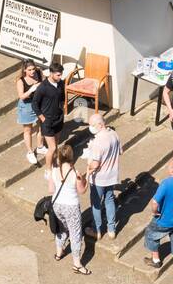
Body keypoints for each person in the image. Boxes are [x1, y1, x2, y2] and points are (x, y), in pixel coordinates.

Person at [51, 143, 90, 275]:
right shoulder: (75, 173)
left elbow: (51, 189)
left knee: (62, 228)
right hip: (71, 206)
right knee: (75, 234)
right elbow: (82, 191)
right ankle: (77, 264)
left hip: (57, 205)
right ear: (71, 156)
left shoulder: (54, 170)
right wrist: (88, 176)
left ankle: (58, 253)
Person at [84, 111, 122, 241]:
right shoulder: (114, 135)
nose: (90, 127)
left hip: (98, 178)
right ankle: (111, 229)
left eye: (92, 125)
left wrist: (88, 170)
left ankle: (96, 230)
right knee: (110, 200)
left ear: (100, 125)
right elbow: (119, 152)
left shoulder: (98, 142)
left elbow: (95, 164)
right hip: (111, 176)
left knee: (96, 204)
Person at [32, 60, 66, 177]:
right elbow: (34, 104)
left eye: (61, 74)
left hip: (58, 119)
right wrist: (43, 118)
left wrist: (62, 108)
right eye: (58, 74)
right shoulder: (43, 87)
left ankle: (55, 164)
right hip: (48, 121)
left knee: (56, 145)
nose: (60, 77)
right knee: (51, 148)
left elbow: (62, 97)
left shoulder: (61, 83)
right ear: (51, 73)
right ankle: (48, 170)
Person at [16, 61, 44, 165]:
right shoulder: (20, 81)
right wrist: (32, 89)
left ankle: (40, 146)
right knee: (28, 130)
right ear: (24, 70)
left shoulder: (38, 73)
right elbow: (21, 96)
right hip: (27, 106)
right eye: (29, 70)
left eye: (33, 69)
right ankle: (30, 152)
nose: (32, 71)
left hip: (39, 103)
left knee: (41, 126)